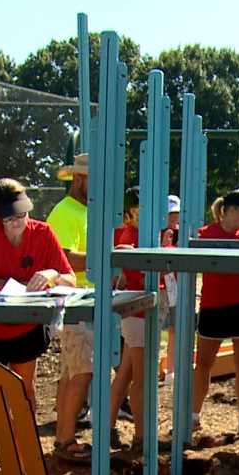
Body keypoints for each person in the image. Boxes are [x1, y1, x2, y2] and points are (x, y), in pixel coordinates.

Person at [0, 178, 75, 407]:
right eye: (9, 218)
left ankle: (23, 441)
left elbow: (70, 279)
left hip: (25, 326)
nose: (16, 222)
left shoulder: (43, 233)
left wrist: (52, 274)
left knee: (24, 391)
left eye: (21, 215)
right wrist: (17, 283)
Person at [191, 190, 239, 437]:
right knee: (203, 364)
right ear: (230, 211)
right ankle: (193, 417)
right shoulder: (205, 235)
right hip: (213, 307)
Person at [47, 152, 95, 458]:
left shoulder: (83, 211)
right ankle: (65, 440)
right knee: (82, 373)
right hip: (75, 302)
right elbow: (61, 259)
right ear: (79, 178)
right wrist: (106, 259)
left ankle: (63, 436)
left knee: (72, 372)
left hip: (82, 301)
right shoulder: (65, 212)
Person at [106, 186, 150, 449]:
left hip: (139, 312)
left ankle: (108, 426)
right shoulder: (132, 237)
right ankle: (141, 437)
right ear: (132, 212)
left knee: (125, 373)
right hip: (138, 313)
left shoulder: (141, 235)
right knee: (141, 379)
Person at [159, 194, 181, 383]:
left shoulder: (180, 233)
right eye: (171, 214)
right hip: (163, 284)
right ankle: (159, 366)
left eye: (176, 213)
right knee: (158, 327)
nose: (175, 218)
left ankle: (171, 370)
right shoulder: (158, 233)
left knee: (175, 327)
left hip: (174, 283)